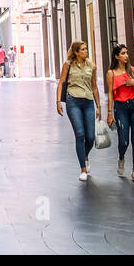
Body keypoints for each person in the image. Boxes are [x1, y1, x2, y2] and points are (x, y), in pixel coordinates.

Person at [56, 40, 101, 181]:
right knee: (80, 134)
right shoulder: (68, 65)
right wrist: (58, 101)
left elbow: (94, 86)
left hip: (88, 102)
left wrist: (98, 106)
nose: (86, 51)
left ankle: (85, 155)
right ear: (76, 52)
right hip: (73, 101)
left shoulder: (92, 66)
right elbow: (61, 82)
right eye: (83, 49)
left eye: (86, 49)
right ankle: (83, 168)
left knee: (90, 137)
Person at [106, 43, 134, 183]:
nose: (126, 55)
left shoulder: (133, 70)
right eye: (123, 53)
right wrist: (109, 113)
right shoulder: (111, 73)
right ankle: (121, 158)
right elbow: (110, 94)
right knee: (123, 141)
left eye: (126, 53)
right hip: (120, 108)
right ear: (116, 56)